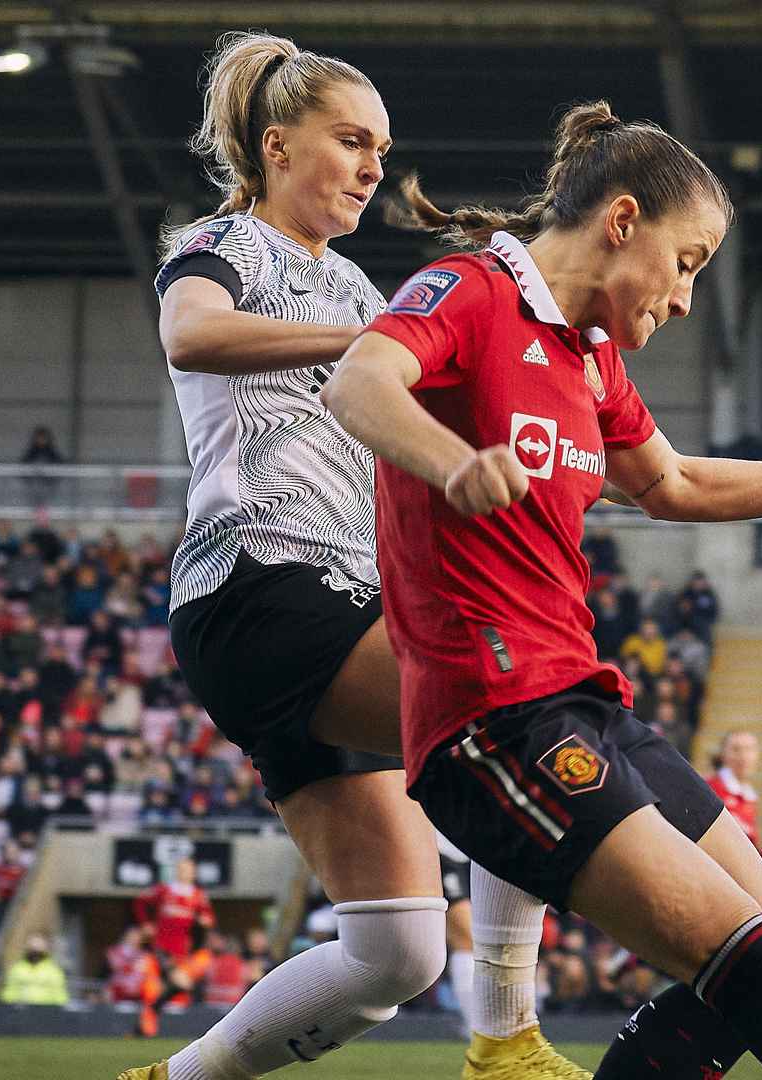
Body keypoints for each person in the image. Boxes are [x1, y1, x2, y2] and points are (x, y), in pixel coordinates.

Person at [324, 99, 762, 1080]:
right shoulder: (471, 288)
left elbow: (675, 483)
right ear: (624, 222)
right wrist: (452, 462)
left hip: (583, 706)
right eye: (689, 261)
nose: (688, 297)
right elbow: (358, 383)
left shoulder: (591, 356)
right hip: (494, 724)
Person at [118, 31, 580, 1080]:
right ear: (277, 148)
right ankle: (505, 1034)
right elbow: (190, 337)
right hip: (267, 590)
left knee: (395, 950)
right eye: (352, 141)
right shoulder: (225, 249)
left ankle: (174, 1079)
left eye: (382, 146)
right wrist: (359, 348)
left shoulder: (363, 290)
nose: (374, 166)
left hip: (340, 610)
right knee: (525, 723)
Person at [707, 731, 762, 847]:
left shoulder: (750, 796)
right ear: (722, 755)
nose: (743, 756)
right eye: (736, 750)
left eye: (749, 749)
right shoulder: (710, 789)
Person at [0, 933, 70, 1006]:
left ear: (46, 949)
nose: (35, 952)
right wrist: (8, 1004)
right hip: (21, 1011)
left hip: (46, 1011)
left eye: (39, 949)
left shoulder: (54, 971)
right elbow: (9, 992)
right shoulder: (17, 969)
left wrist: (60, 1009)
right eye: (33, 948)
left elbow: (60, 995)